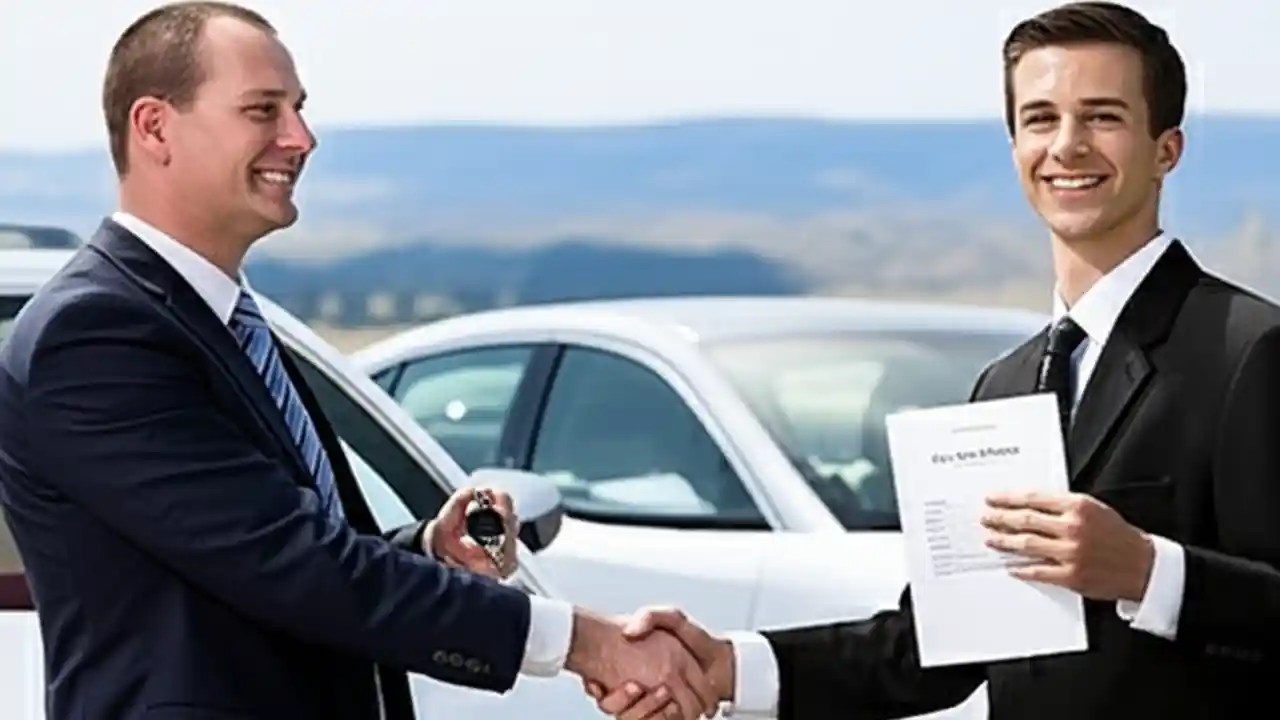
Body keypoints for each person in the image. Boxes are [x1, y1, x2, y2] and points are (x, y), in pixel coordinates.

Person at [0, 3, 718, 719]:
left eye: (299, 109)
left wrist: (432, 551)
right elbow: (293, 564)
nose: (301, 137)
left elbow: (289, 551)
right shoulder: (94, 336)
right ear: (154, 126)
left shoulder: (227, 325)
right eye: (262, 110)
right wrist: (584, 642)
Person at [587, 2, 1280, 719]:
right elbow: (934, 651)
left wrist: (1149, 572)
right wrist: (725, 666)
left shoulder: (1249, 351)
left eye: (1102, 117)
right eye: (1040, 119)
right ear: (1015, 147)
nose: (1067, 146)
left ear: (1167, 149)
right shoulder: (1003, 385)